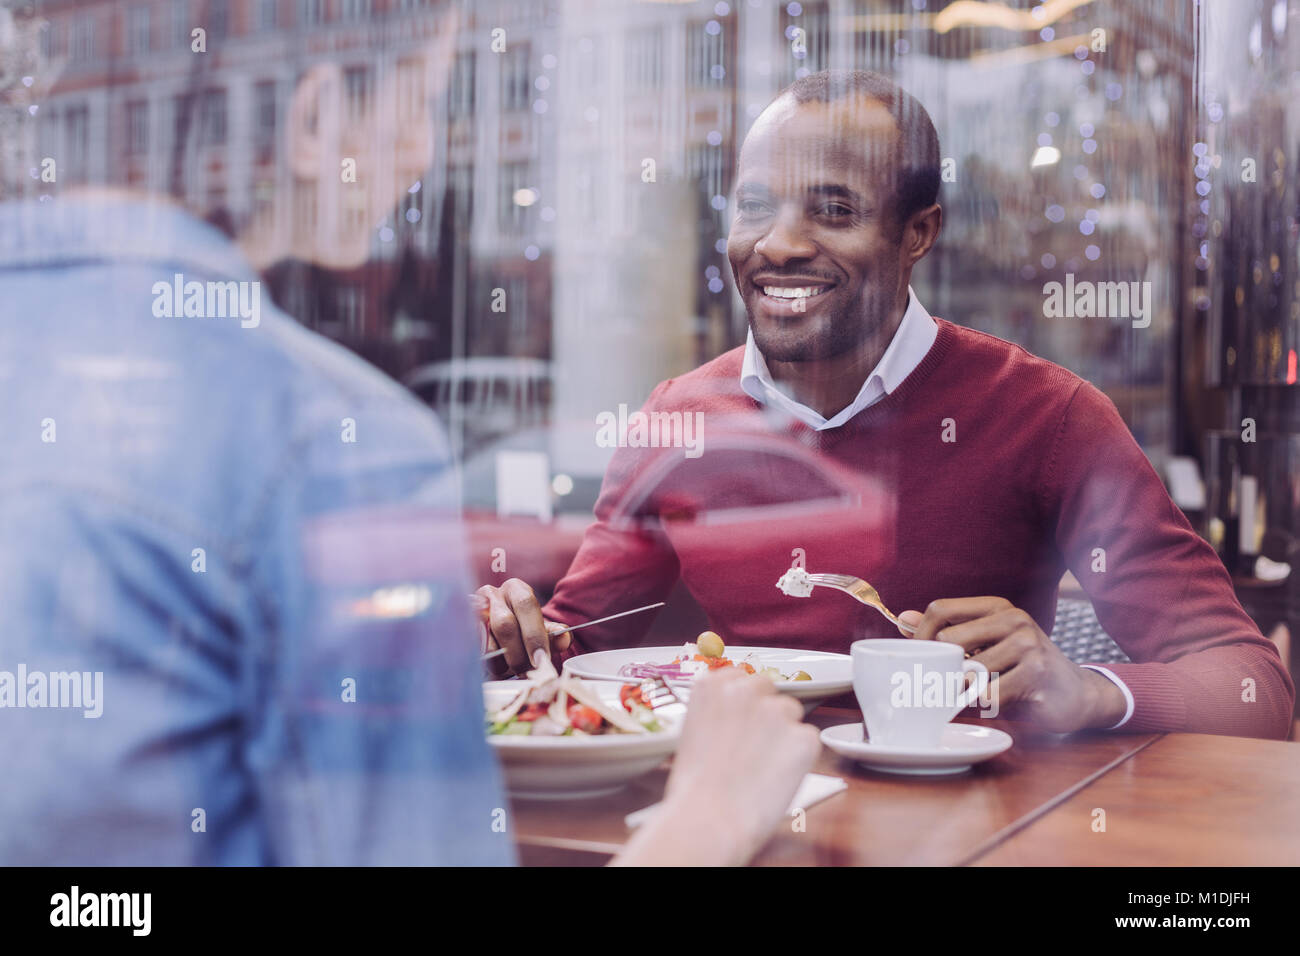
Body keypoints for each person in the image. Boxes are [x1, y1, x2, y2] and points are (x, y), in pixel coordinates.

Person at [0, 8, 818, 866]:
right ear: (317, 120)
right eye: (423, 99)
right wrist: (711, 818)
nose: (424, 152)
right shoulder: (336, 442)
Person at [479, 70, 1295, 740]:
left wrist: (1084, 689)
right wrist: (508, 642)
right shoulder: (678, 419)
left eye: (833, 210)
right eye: (756, 205)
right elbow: (575, 654)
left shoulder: (1049, 417)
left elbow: (1253, 686)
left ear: (918, 233)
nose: (780, 244)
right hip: (739, 826)